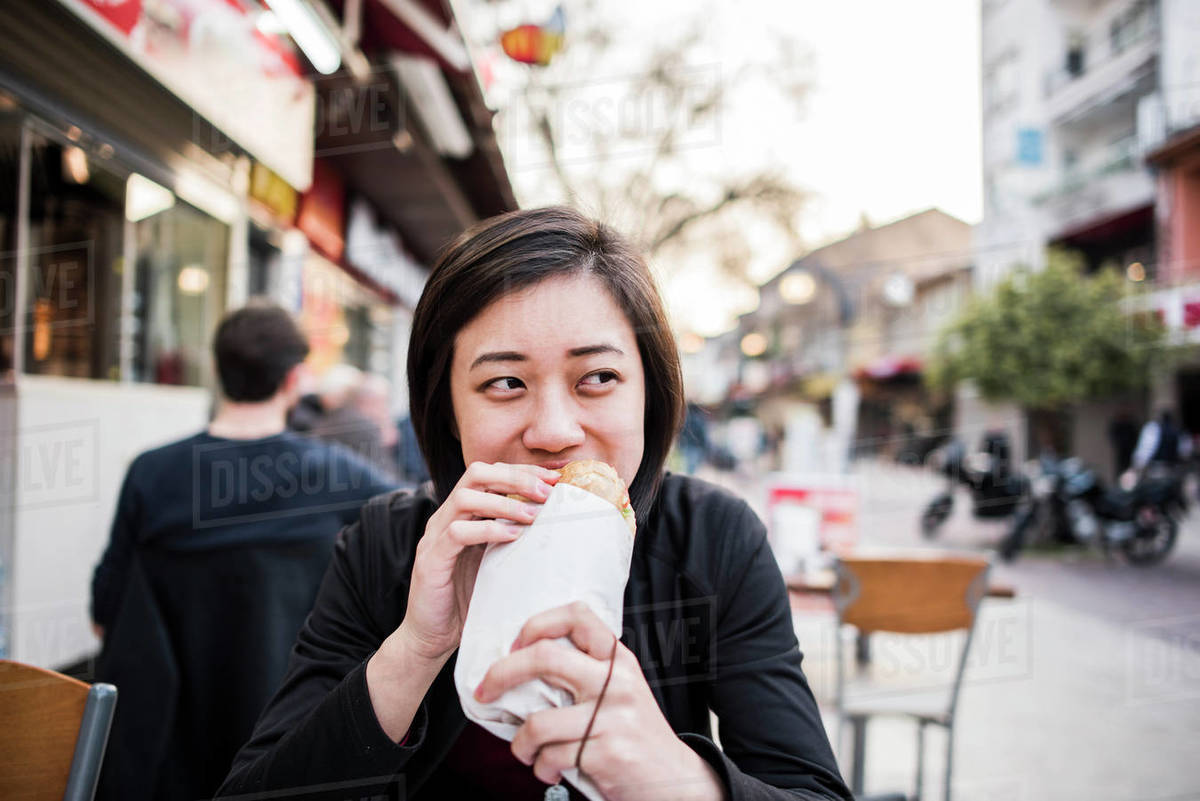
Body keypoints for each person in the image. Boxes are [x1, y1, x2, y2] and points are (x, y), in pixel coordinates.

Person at [218, 208, 851, 801]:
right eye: (504, 383)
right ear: (448, 412)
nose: (553, 430)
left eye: (597, 378)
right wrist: (414, 648)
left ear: (649, 396)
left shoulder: (712, 537)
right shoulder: (388, 544)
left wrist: (677, 775)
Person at [90, 302, 396, 801]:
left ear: (217, 371)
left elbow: (106, 613)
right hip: (291, 735)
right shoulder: (337, 474)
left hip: (166, 747)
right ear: (294, 379)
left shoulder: (151, 472)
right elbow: (412, 535)